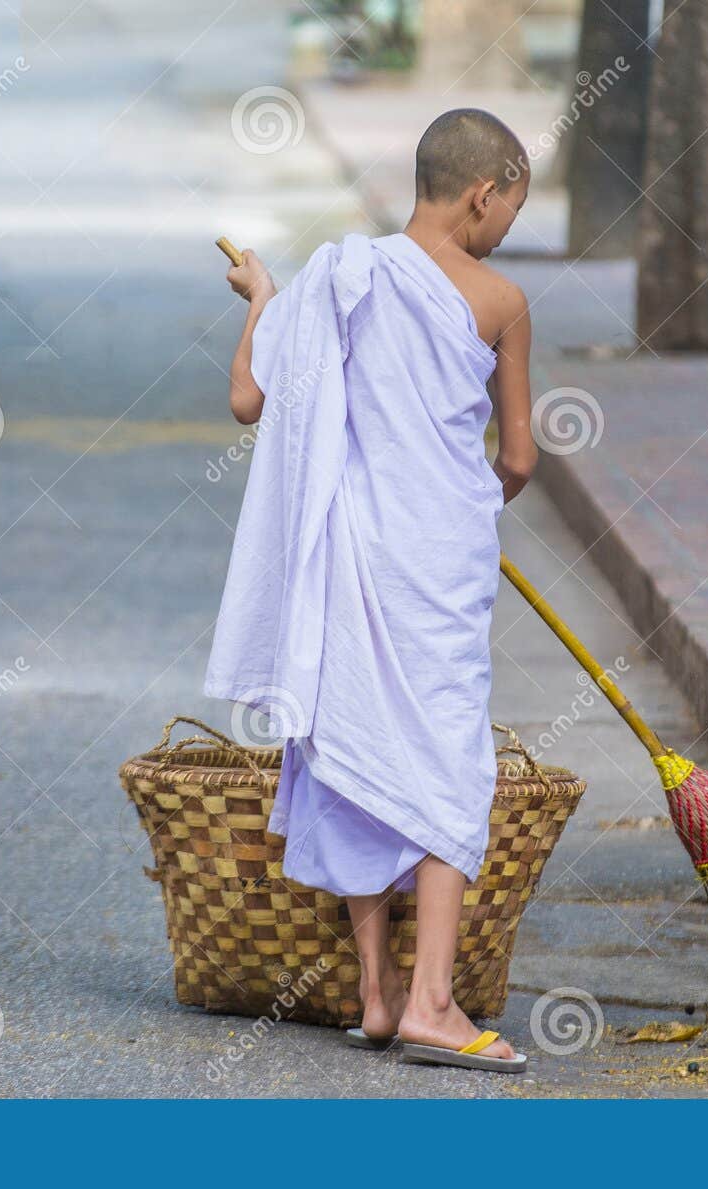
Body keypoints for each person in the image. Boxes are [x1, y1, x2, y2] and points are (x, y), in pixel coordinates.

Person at [205, 108, 537, 1071]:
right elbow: (516, 456)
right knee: (446, 761)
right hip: (438, 564)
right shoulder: (502, 302)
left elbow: (250, 400)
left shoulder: (338, 278)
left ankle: (379, 994)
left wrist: (262, 296)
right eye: (509, 208)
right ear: (482, 194)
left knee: (348, 736)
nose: (508, 228)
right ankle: (436, 1000)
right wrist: (466, 495)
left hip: (348, 553)